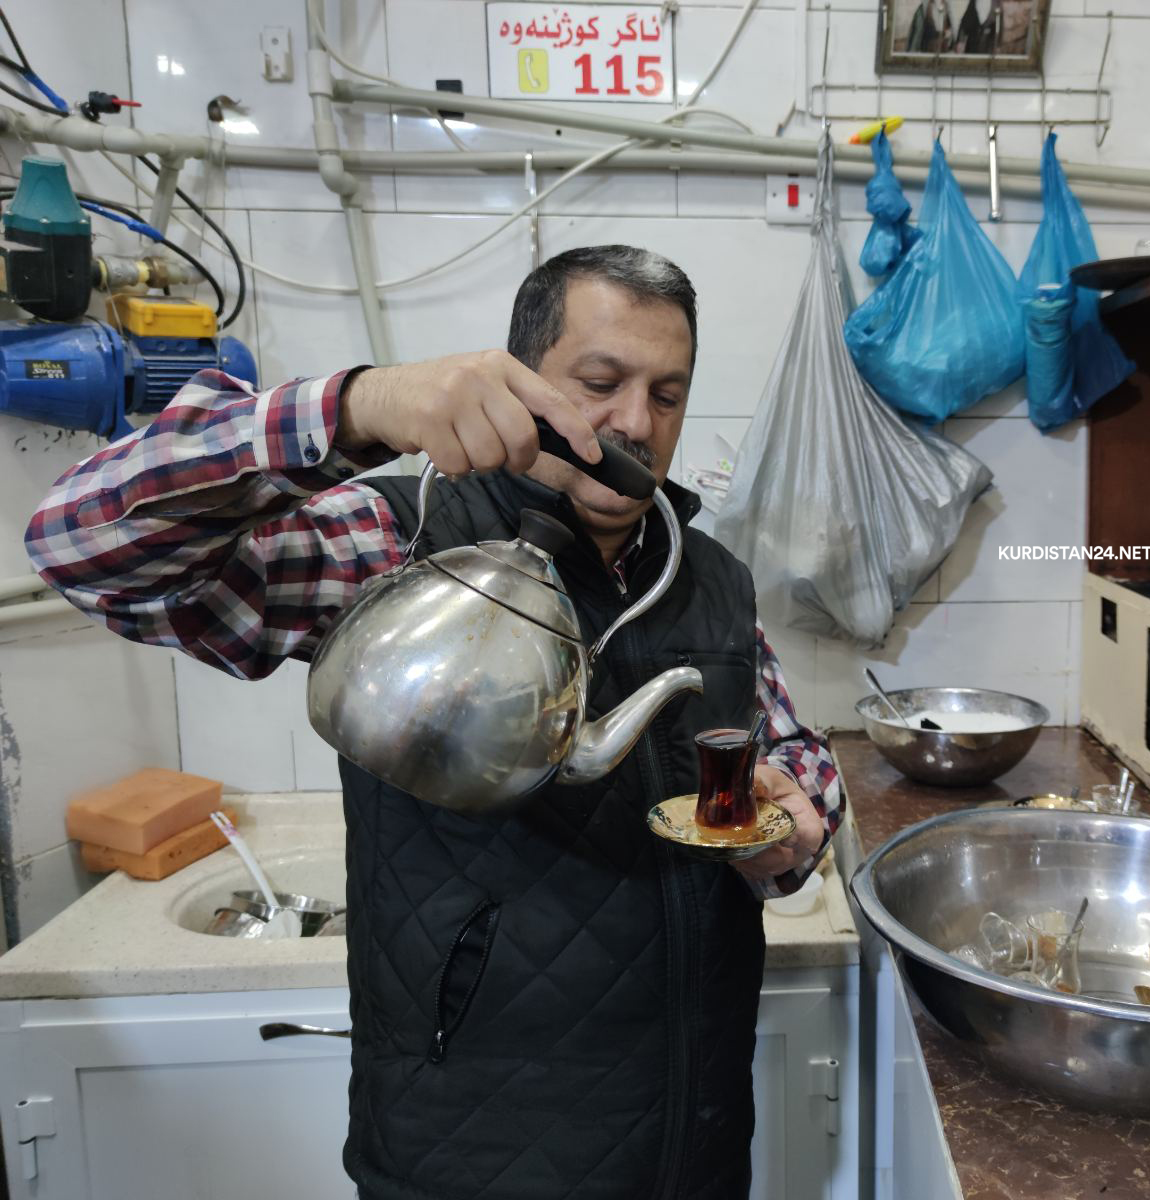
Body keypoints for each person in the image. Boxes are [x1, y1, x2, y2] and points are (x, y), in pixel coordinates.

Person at [25, 245, 845, 1200]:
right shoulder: (399, 538)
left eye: (668, 393)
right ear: (523, 378)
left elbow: (787, 751)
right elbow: (82, 546)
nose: (635, 423)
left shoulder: (707, 576)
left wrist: (791, 824)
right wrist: (359, 406)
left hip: (690, 1142)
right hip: (470, 1148)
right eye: (600, 382)